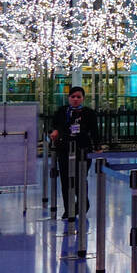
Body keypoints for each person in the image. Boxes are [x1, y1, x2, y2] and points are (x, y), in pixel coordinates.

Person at [50, 86, 97, 221]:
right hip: (64, 149)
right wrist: (55, 132)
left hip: (82, 150)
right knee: (65, 180)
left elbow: (94, 131)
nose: (75, 99)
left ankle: (83, 203)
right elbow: (55, 126)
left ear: (83, 98)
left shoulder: (88, 113)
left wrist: (97, 147)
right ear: (68, 98)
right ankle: (68, 209)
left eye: (79, 97)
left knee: (79, 178)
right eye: (73, 96)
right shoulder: (62, 111)